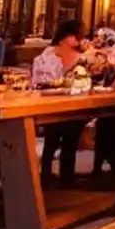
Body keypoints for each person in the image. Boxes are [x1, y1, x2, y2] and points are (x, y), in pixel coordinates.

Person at [31, 20, 90, 184]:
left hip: (74, 104)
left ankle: (66, 176)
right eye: (75, 36)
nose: (78, 40)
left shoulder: (82, 57)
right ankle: (46, 176)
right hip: (52, 104)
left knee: (71, 137)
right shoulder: (47, 56)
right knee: (53, 137)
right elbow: (42, 81)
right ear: (64, 37)